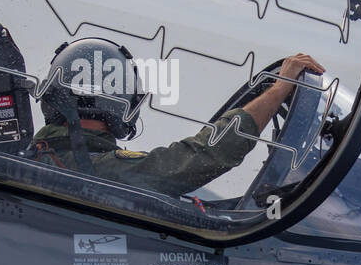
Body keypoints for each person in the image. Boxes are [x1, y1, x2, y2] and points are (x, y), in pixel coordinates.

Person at [29, 37, 324, 197]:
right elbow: (204, 155)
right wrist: (281, 88)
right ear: (121, 102)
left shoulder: (40, 158)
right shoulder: (100, 170)